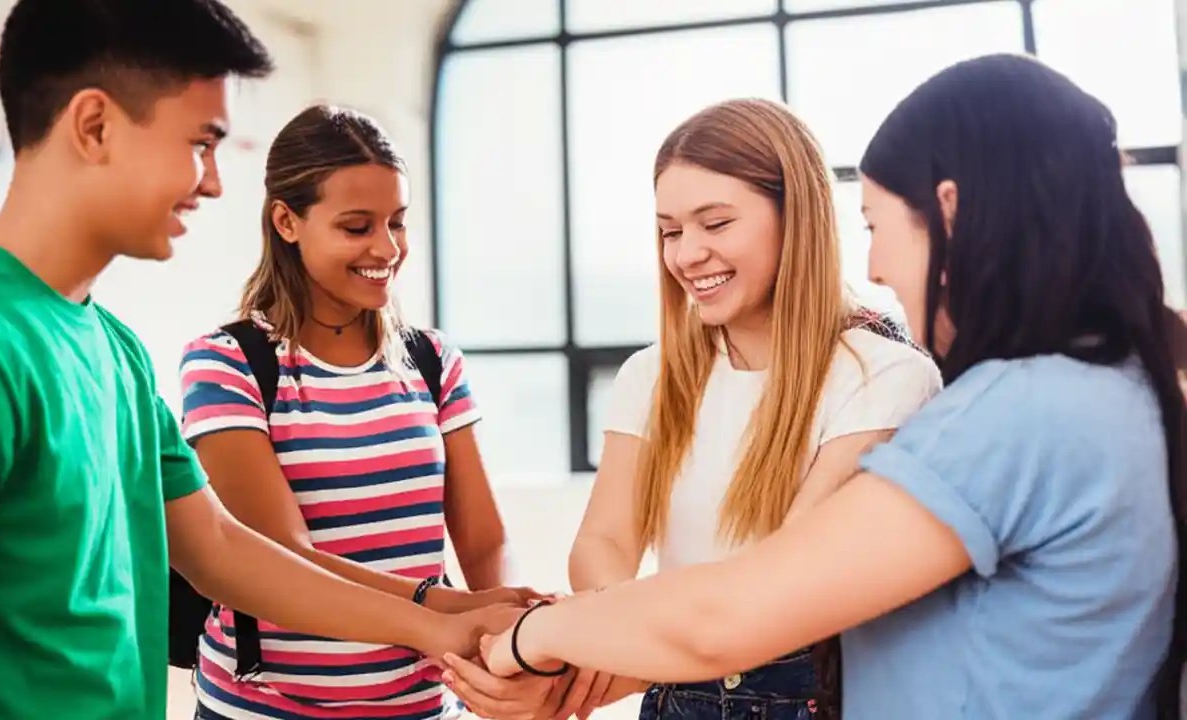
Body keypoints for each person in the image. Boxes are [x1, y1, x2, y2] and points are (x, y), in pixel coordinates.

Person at [472, 53, 1186, 719]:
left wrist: (535, 636)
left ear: (949, 210)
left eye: (877, 224)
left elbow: (738, 614)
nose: (873, 266)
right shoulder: (1106, 388)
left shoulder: (1018, 414)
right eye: (669, 230)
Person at [0, 2, 519, 719]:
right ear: (94, 125)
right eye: (202, 143)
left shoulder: (115, 351)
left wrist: (442, 623)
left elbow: (224, 549)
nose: (214, 182)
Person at [504, 98, 937, 720]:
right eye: (671, 231)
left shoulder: (885, 375)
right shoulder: (649, 375)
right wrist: (630, 636)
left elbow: (787, 585)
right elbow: (604, 539)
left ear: (797, 217)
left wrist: (606, 642)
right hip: (674, 686)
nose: (685, 255)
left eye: (716, 223)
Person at [179, 105, 536, 719]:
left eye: (397, 223)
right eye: (356, 227)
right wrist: (445, 610)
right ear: (287, 221)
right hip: (266, 709)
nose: (388, 248)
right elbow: (284, 561)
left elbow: (483, 540)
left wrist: (503, 645)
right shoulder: (227, 364)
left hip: (423, 706)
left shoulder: (432, 360)